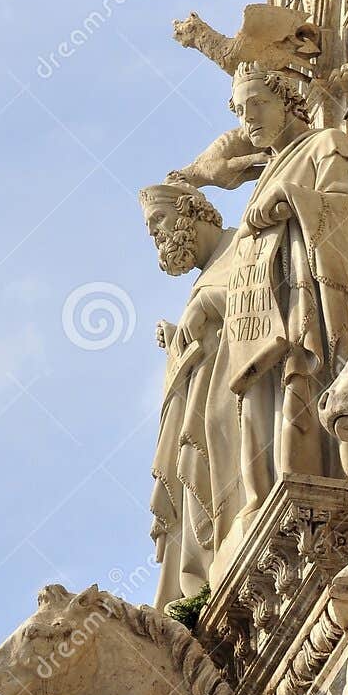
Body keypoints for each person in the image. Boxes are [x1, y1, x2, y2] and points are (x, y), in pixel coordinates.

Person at [211, 62, 348, 553]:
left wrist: (290, 197)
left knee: (302, 375)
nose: (247, 120)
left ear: (288, 99)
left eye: (256, 103)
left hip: (307, 297)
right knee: (254, 401)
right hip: (263, 314)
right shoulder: (263, 176)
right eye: (239, 111)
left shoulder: (326, 145)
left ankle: (313, 467)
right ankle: (274, 486)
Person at [140, 180, 237, 607]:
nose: (157, 236)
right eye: (151, 231)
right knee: (189, 465)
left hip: (235, 391)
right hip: (208, 390)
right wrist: (180, 337)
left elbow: (269, 291)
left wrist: (209, 305)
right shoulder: (203, 276)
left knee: (205, 444)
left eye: (158, 221)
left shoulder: (241, 243)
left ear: (192, 210)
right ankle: (198, 582)